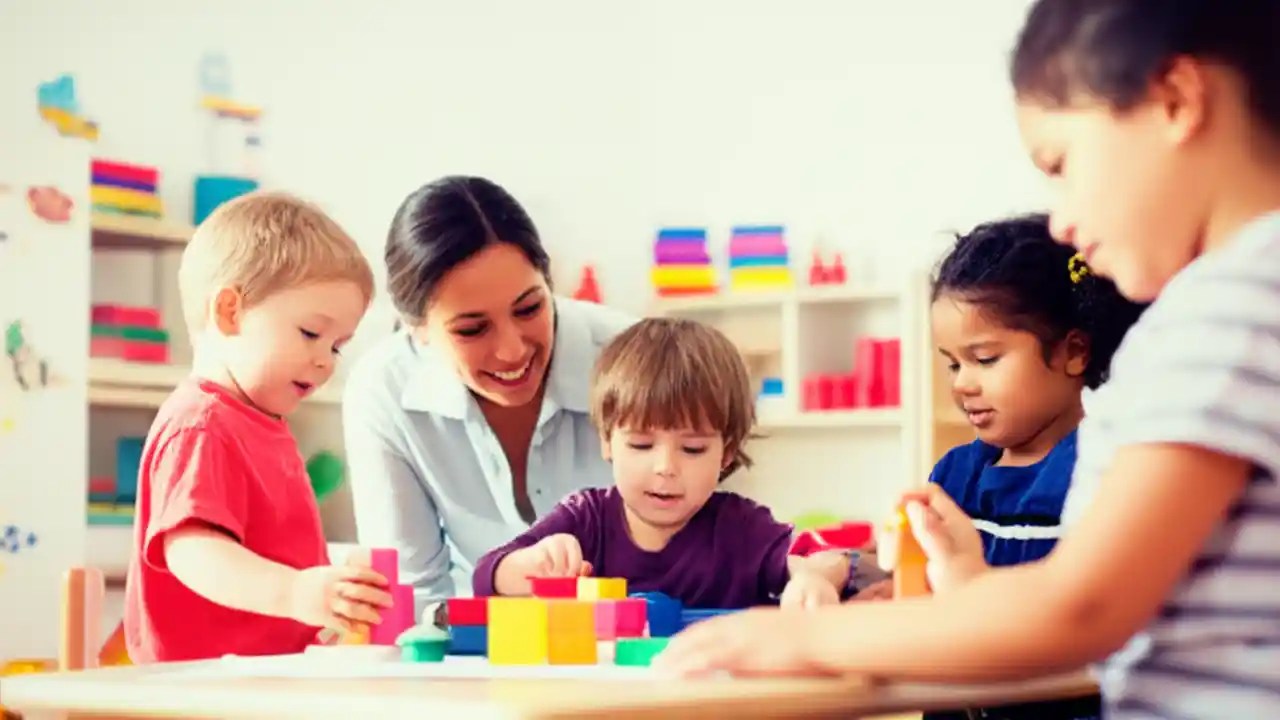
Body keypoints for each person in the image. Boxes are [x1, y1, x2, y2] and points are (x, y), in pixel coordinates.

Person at [656, 1, 1280, 716]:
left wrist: (802, 640)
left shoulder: (1220, 312)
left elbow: (1083, 608)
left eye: (1061, 164)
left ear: (1175, 100)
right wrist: (978, 589)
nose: (1062, 219)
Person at [875, 215, 1143, 720]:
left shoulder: (1098, 475)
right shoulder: (954, 475)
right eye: (954, 364)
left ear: (1073, 352)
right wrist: (851, 574)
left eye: (985, 359)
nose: (961, 384)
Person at [342, 176, 636, 615]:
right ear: (416, 328)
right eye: (472, 329)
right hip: (476, 652)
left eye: (530, 308)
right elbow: (412, 596)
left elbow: (714, 552)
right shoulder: (383, 390)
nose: (512, 349)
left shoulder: (632, 359)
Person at [124, 192, 392, 663]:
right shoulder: (201, 425)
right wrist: (295, 593)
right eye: (311, 333)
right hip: (201, 692)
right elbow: (193, 552)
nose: (324, 361)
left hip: (258, 681)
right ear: (230, 312)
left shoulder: (261, 423)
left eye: (338, 346)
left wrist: (329, 589)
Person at [473, 318, 852, 609]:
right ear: (607, 441)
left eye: (692, 449)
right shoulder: (585, 521)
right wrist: (531, 564)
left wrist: (817, 579)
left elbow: (827, 558)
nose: (665, 467)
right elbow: (488, 574)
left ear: (727, 451)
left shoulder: (741, 529)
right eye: (640, 444)